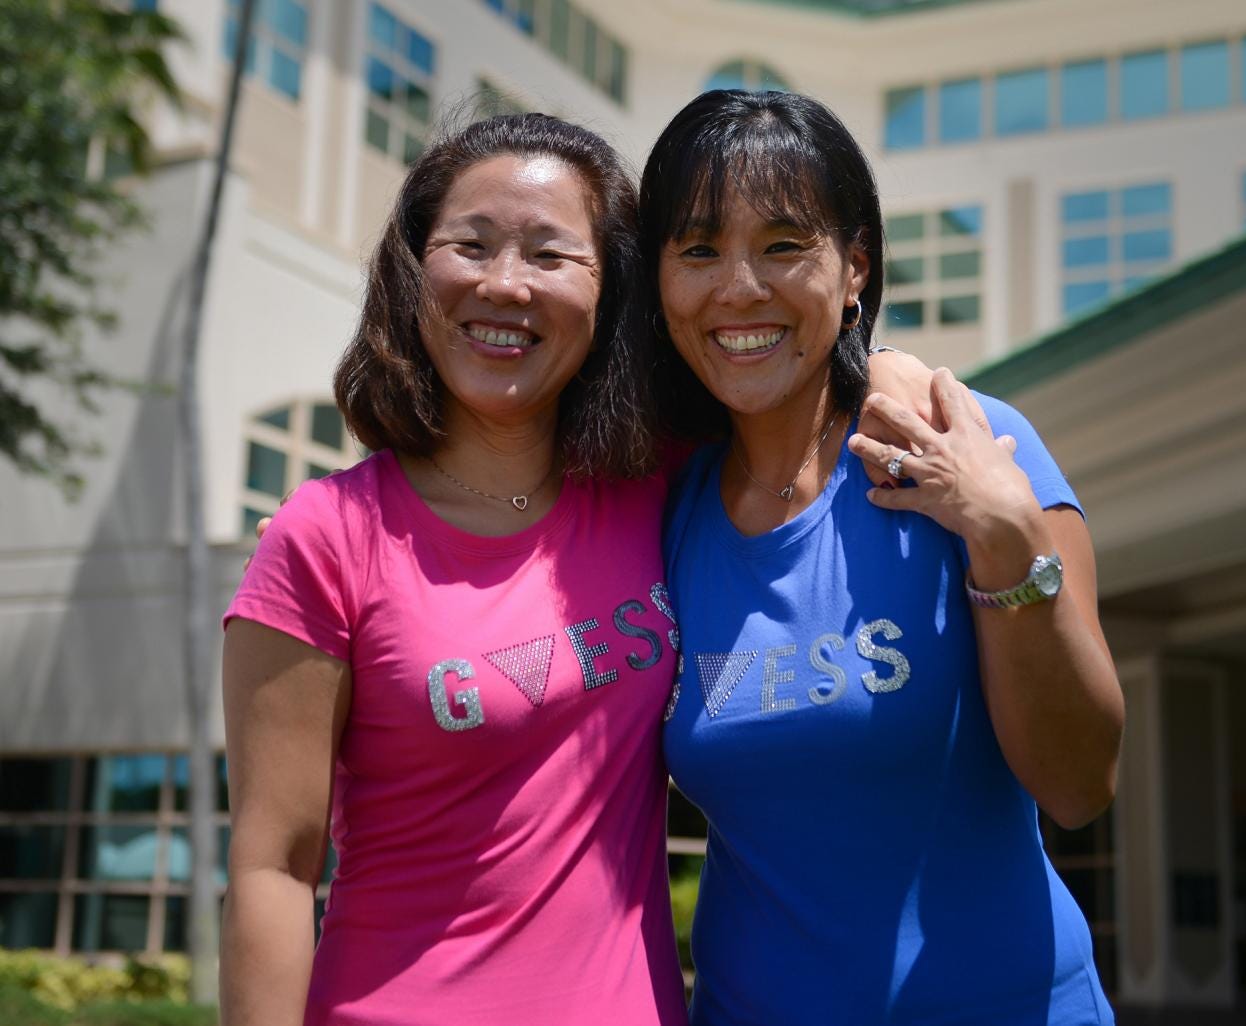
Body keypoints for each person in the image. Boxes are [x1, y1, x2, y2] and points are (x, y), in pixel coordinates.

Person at [221, 109, 944, 1026]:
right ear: (413, 272)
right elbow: (271, 869)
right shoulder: (325, 536)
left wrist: (888, 372)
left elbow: (788, 377)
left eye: (551, 256)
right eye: (469, 245)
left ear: (611, 294)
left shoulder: (660, 485)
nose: (505, 285)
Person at [643, 90, 1125, 1025]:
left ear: (854, 264)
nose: (738, 286)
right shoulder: (658, 507)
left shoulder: (972, 443)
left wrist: (1007, 539)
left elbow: (1080, 784)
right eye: (698, 250)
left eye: (784, 245)